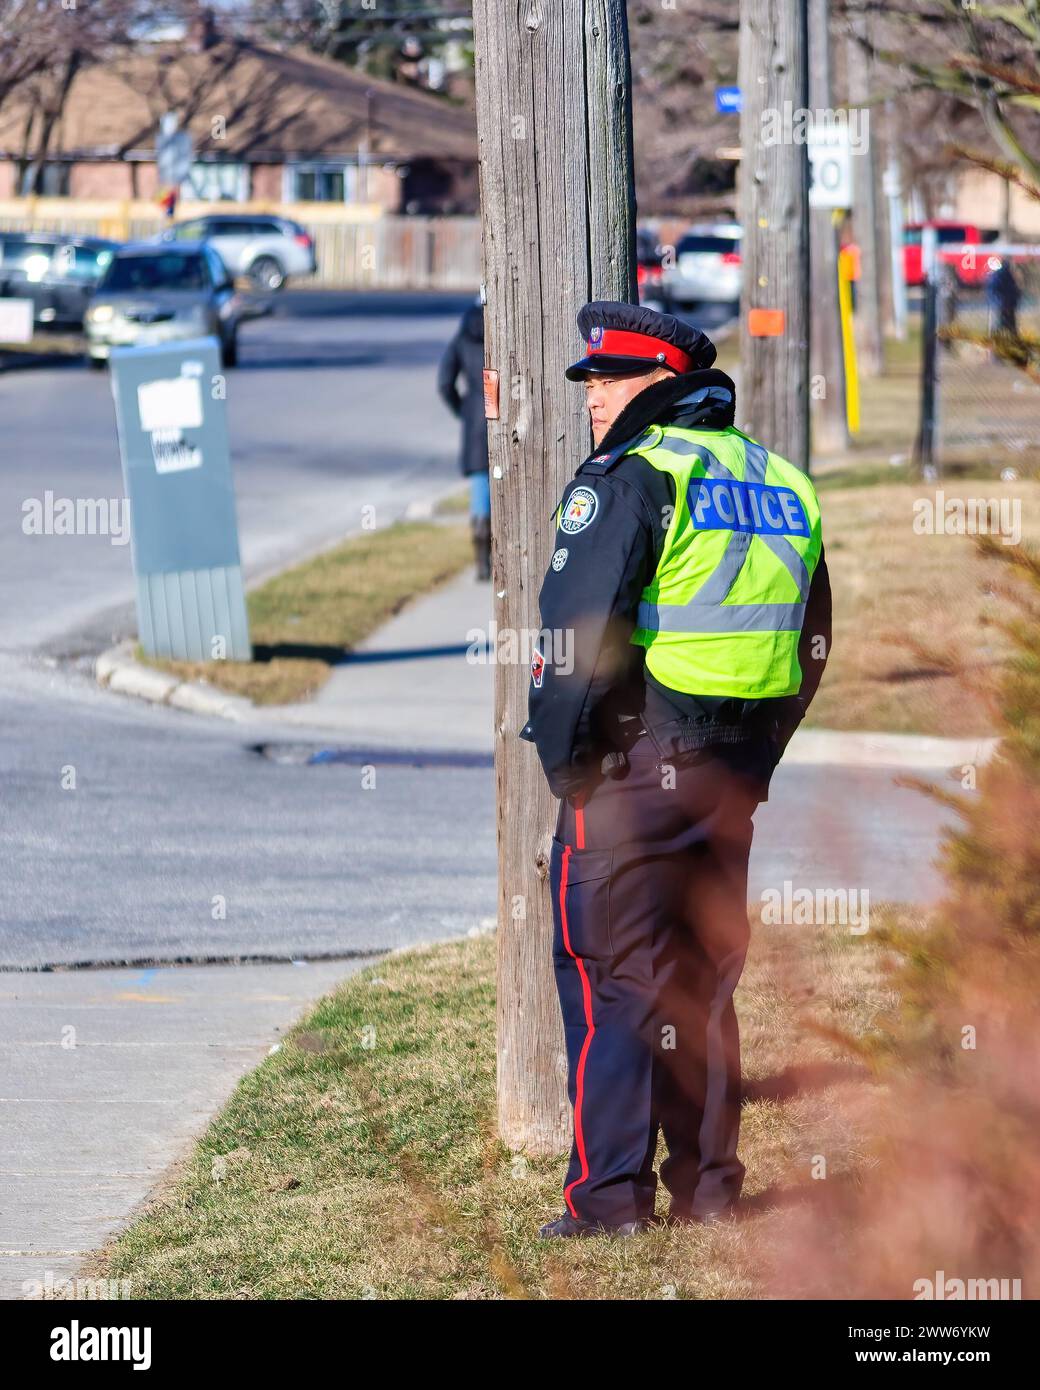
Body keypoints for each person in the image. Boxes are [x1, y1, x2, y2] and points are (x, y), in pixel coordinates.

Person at [520, 301, 832, 1238]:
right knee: (701, 980)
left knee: (610, 975)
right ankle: (706, 1192)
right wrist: (762, 755)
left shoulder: (631, 477)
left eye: (609, 379)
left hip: (630, 771)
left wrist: (566, 761)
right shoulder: (783, 480)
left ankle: (609, 1204)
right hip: (730, 775)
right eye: (588, 382)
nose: (592, 399)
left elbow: (578, 641)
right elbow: (812, 639)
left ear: (661, 382)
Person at [437, 302, 491, 579]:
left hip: (473, 423)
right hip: (501, 417)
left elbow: (445, 383)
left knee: (481, 490)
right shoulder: (498, 328)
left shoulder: (462, 337)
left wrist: (464, 410)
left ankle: (483, 564)